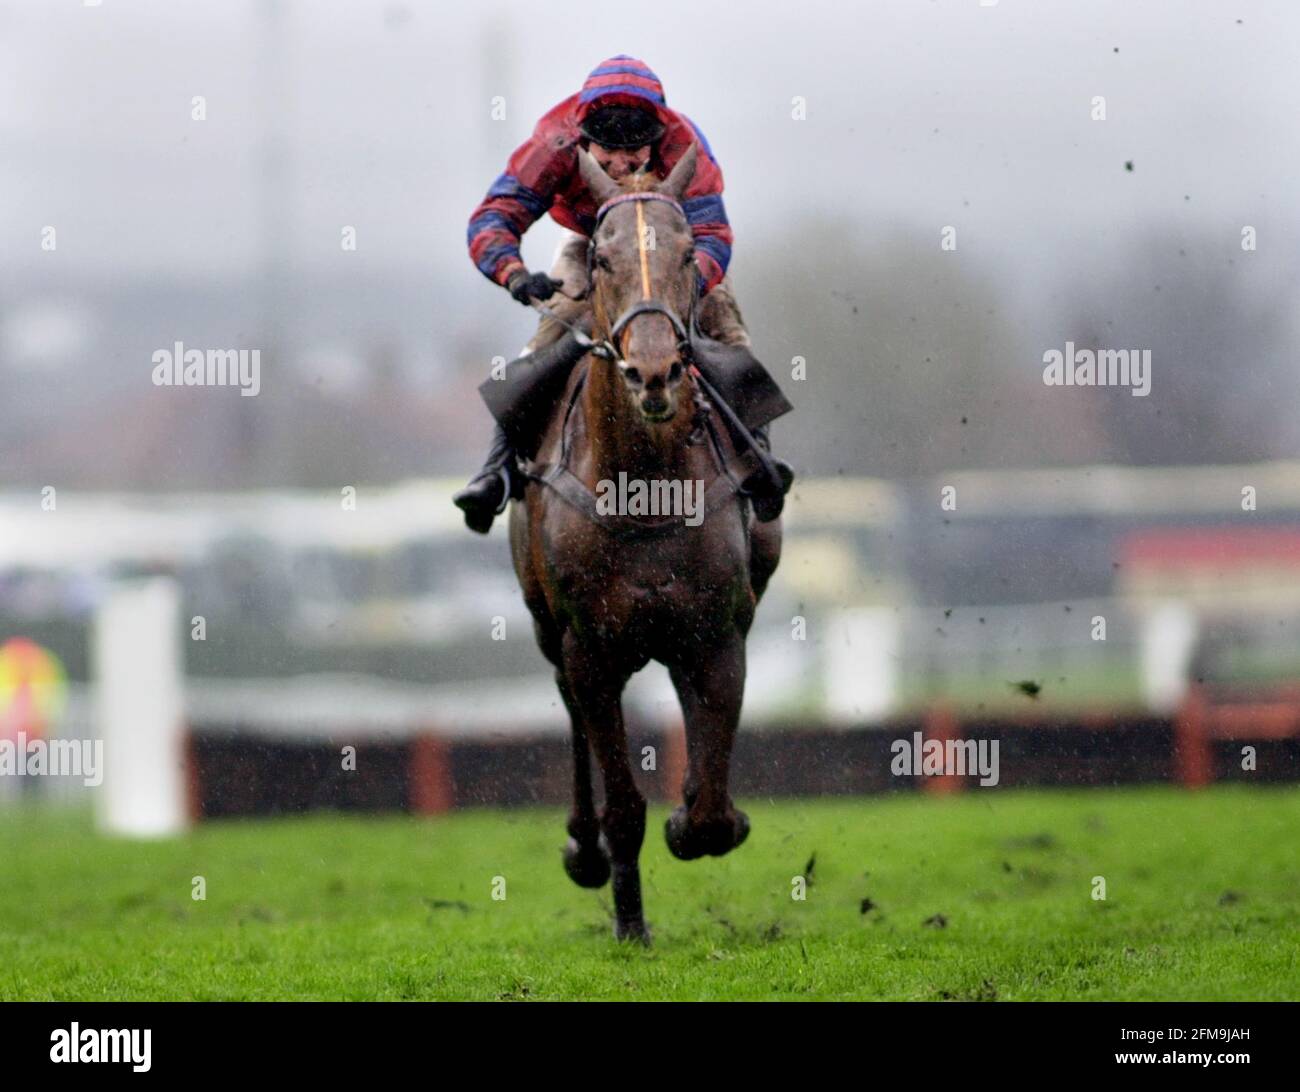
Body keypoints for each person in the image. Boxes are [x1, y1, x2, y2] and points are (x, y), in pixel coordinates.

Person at [456, 55, 790, 533]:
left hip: (672, 248)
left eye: (634, 152)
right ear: (583, 137)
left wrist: (685, 286)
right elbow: (493, 217)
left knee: (727, 329)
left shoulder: (686, 146)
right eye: (607, 151)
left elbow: (713, 233)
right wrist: (515, 274)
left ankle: (758, 458)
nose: (619, 164)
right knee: (550, 333)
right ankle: (497, 469)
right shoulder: (553, 143)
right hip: (595, 244)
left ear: (656, 140)